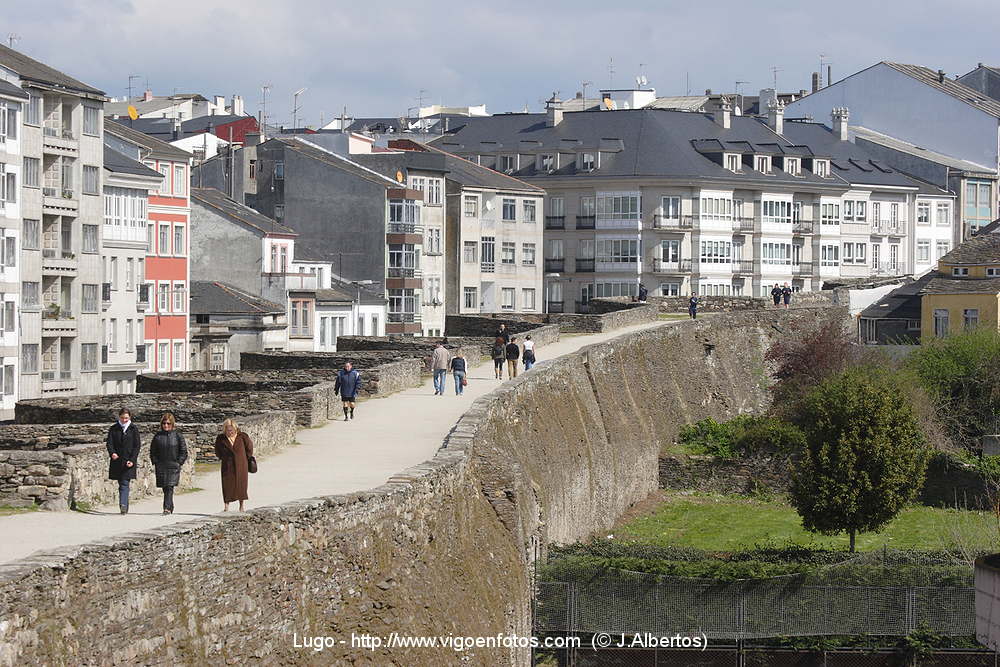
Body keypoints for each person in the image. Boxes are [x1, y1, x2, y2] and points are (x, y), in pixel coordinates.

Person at [149, 412, 188, 515]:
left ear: (172, 424)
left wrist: (179, 462)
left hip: (173, 465)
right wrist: (155, 461)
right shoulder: (157, 436)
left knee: (169, 487)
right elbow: (153, 451)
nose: (166, 425)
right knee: (165, 487)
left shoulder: (178, 436)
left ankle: (166, 508)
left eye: (168, 423)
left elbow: (183, 451)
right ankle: (170, 506)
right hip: (161, 465)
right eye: (164, 423)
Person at [106, 408, 141, 515]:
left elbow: (137, 446)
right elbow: (109, 443)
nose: (124, 420)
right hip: (117, 460)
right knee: (121, 482)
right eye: (122, 418)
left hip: (128, 460)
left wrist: (132, 460)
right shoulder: (114, 428)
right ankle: (124, 503)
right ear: (119, 417)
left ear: (129, 417)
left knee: (125, 482)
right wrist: (112, 453)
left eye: (126, 418)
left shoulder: (133, 429)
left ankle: (123, 505)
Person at [214, 418, 253, 512]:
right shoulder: (221, 438)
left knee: (241, 485)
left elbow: (249, 448)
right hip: (228, 465)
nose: (229, 432)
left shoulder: (242, 436)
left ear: (235, 429)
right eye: (227, 430)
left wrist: (243, 459)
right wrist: (224, 458)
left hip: (241, 465)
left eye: (231, 430)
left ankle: (241, 505)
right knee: (227, 485)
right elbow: (217, 451)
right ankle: (226, 506)